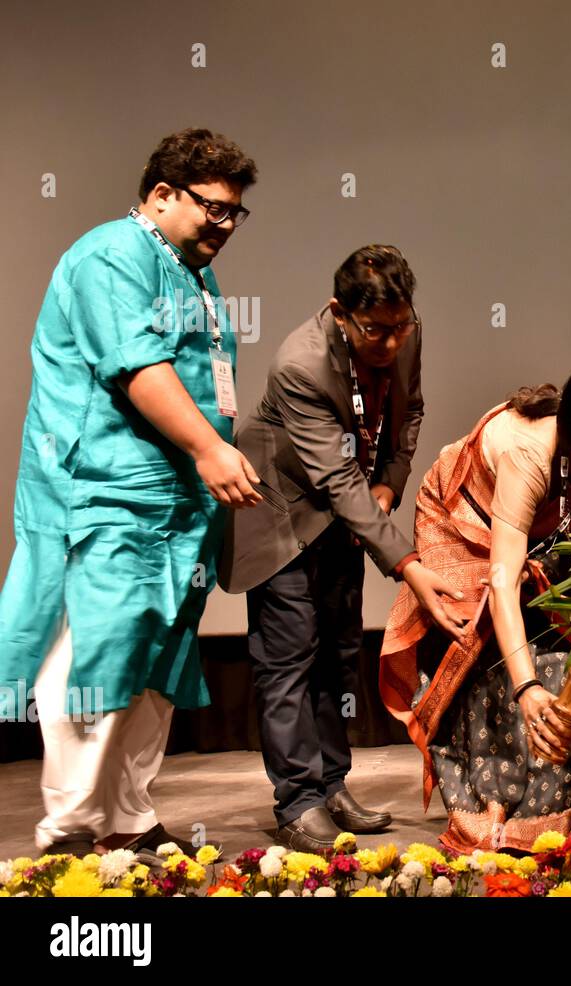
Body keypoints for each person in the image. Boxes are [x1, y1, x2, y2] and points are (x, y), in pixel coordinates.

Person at [0, 129, 260, 861]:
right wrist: (210, 447)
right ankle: (70, 830)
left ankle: (126, 815)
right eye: (213, 207)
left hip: (174, 502)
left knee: (157, 658)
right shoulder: (112, 255)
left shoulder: (189, 270)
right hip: (105, 493)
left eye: (237, 213)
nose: (226, 224)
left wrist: (209, 455)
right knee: (100, 650)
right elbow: (138, 368)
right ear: (160, 194)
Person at [219, 246, 461, 852]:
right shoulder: (300, 364)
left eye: (399, 327)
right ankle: (298, 801)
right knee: (290, 658)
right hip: (280, 508)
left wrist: (390, 482)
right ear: (340, 312)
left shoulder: (406, 331)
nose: (389, 342)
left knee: (339, 651)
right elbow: (330, 477)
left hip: (345, 506)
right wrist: (408, 565)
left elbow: (411, 416)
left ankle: (331, 784)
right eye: (374, 331)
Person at [379, 367, 571, 852]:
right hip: (459, 524)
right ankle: (490, 802)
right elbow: (501, 585)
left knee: (562, 652)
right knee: (486, 651)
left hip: (524, 535)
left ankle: (563, 802)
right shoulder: (529, 456)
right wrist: (525, 688)